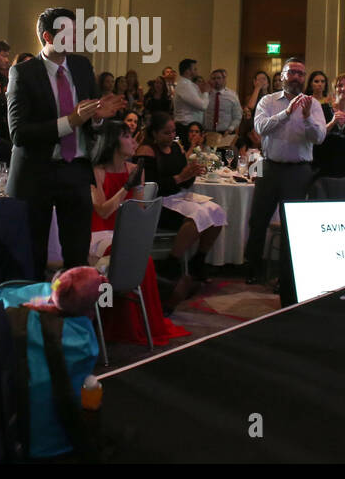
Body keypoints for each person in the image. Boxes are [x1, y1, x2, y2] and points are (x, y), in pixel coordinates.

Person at [7, 7, 125, 277]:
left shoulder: (82, 66)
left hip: (76, 170)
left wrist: (97, 117)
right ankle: (33, 314)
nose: (75, 37)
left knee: (77, 255)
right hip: (37, 172)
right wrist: (70, 121)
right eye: (67, 32)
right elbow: (19, 133)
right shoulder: (23, 74)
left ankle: (75, 315)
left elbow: (92, 119)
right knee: (32, 254)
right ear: (48, 36)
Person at [89, 120, 188, 344]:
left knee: (137, 253)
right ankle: (113, 320)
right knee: (122, 251)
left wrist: (136, 187)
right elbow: (103, 211)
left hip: (121, 233)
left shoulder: (134, 170)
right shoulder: (96, 172)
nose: (134, 142)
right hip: (98, 234)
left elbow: (139, 210)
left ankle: (140, 319)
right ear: (113, 143)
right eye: (127, 137)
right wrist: (126, 187)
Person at [244, 58, 327, 288]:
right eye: (292, 73)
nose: (297, 77)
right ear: (282, 76)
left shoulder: (314, 105)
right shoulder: (267, 101)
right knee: (258, 220)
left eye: (301, 74)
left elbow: (319, 138)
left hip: (298, 171)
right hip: (268, 166)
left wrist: (307, 116)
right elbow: (259, 128)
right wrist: (287, 113)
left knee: (292, 226)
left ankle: (286, 277)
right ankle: (253, 270)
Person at [134, 112, 224, 285]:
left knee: (216, 212)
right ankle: (172, 262)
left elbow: (184, 179)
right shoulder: (147, 151)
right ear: (154, 133)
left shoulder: (176, 148)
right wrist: (179, 178)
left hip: (178, 196)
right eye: (166, 133)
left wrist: (192, 173)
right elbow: (149, 187)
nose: (171, 136)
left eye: (173, 132)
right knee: (197, 216)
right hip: (157, 202)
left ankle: (199, 259)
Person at [203, 68, 240, 137]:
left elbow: (237, 116)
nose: (216, 80)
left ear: (224, 79)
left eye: (219, 78)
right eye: (213, 78)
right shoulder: (206, 94)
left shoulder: (232, 95)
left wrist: (230, 129)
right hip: (208, 132)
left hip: (226, 133)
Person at [172, 58, 209, 127]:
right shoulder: (185, 85)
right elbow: (203, 106)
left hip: (190, 125)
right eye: (195, 69)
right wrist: (206, 92)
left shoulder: (190, 85)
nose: (197, 71)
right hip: (186, 125)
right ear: (188, 71)